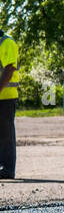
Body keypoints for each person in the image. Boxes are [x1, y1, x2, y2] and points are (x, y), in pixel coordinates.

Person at [0, 30, 17, 179]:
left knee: (6, 134)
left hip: (5, 97)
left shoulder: (6, 42)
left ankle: (8, 169)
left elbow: (9, 69)